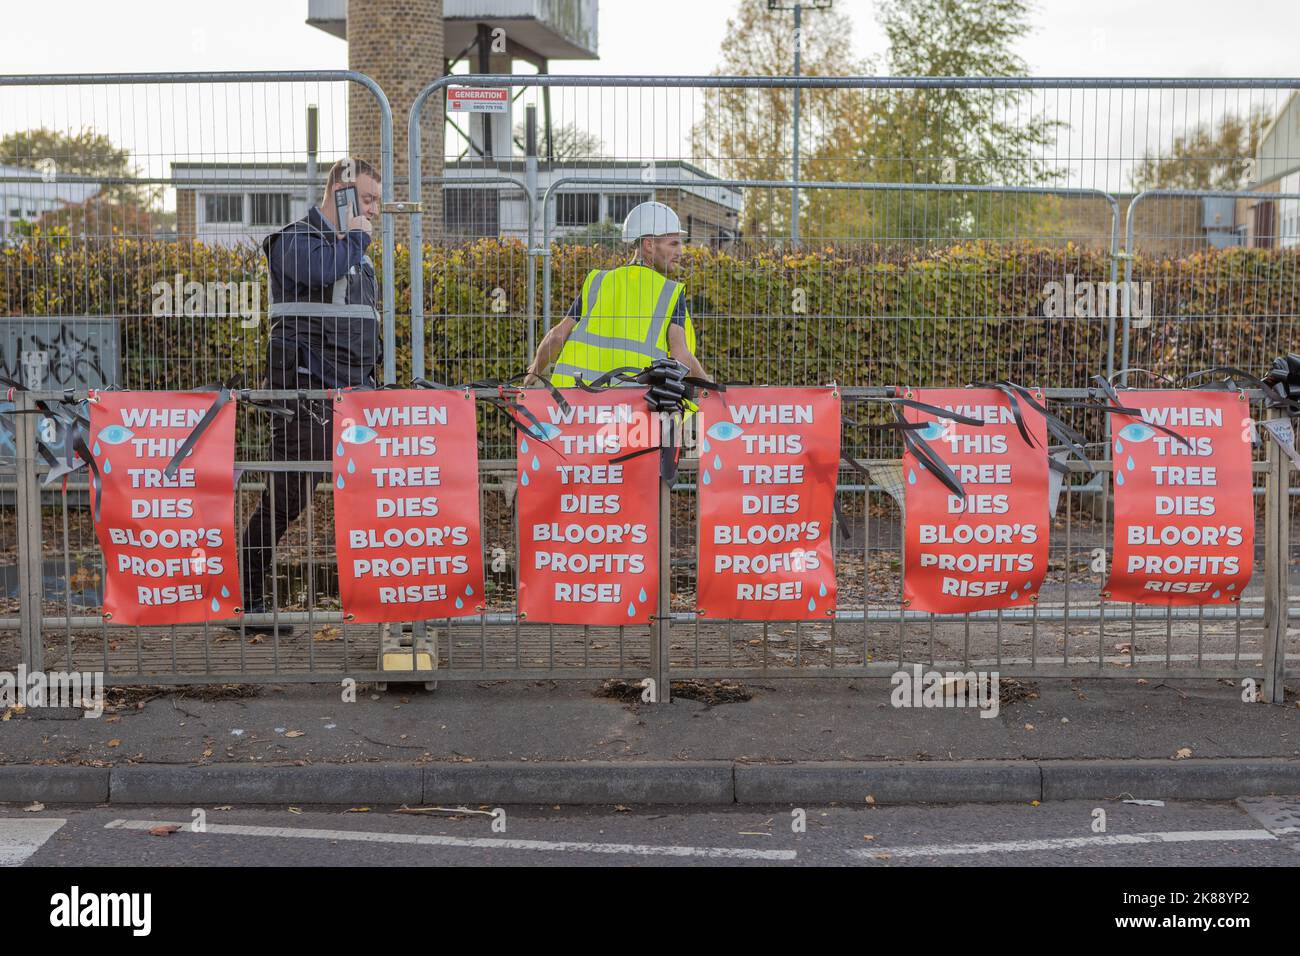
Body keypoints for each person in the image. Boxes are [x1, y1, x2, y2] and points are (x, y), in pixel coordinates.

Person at [237, 157, 382, 634]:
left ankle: (389, 601)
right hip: (306, 396)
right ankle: (246, 600)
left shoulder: (353, 251)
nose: (374, 211)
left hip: (351, 397)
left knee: (377, 493)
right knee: (287, 499)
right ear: (339, 192)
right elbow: (320, 273)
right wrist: (357, 235)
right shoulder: (295, 240)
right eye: (366, 199)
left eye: (377, 202)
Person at [525, 201, 708, 387]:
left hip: (577, 400)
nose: (680, 251)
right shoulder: (669, 292)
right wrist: (710, 386)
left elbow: (557, 336)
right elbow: (681, 356)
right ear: (649, 245)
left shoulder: (598, 281)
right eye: (674, 244)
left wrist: (534, 371)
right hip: (633, 402)